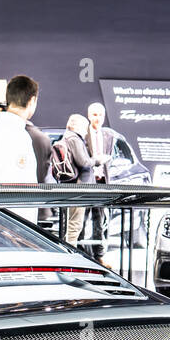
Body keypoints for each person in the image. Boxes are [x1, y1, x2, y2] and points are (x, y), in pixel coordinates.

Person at [84, 102, 125, 266]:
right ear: (89, 116)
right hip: (86, 183)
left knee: (99, 222)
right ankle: (77, 253)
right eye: (94, 115)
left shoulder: (109, 136)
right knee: (81, 219)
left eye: (100, 115)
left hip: (102, 183)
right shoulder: (83, 134)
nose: (97, 118)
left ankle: (98, 255)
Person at [55, 113, 94, 248]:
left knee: (70, 223)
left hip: (72, 185)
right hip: (79, 187)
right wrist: (97, 160)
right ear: (75, 126)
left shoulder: (67, 137)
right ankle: (71, 253)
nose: (85, 131)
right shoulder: (74, 138)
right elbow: (83, 162)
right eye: (85, 127)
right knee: (74, 224)